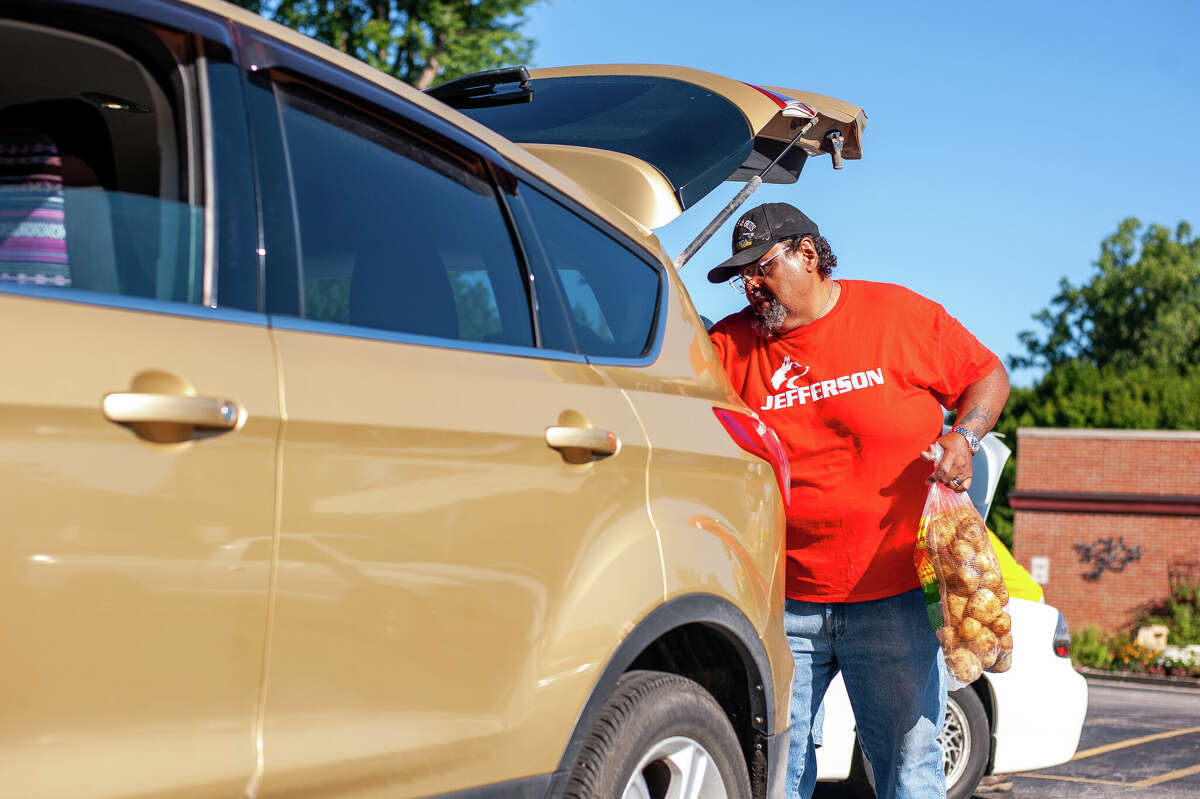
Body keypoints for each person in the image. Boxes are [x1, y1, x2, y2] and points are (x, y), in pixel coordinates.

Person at [706, 202, 1010, 799]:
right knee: (773, 776)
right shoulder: (731, 344)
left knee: (909, 771)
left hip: (893, 595)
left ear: (808, 255)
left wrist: (964, 435)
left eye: (761, 268)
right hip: (781, 598)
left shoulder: (895, 315)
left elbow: (988, 375)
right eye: (741, 274)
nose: (750, 285)